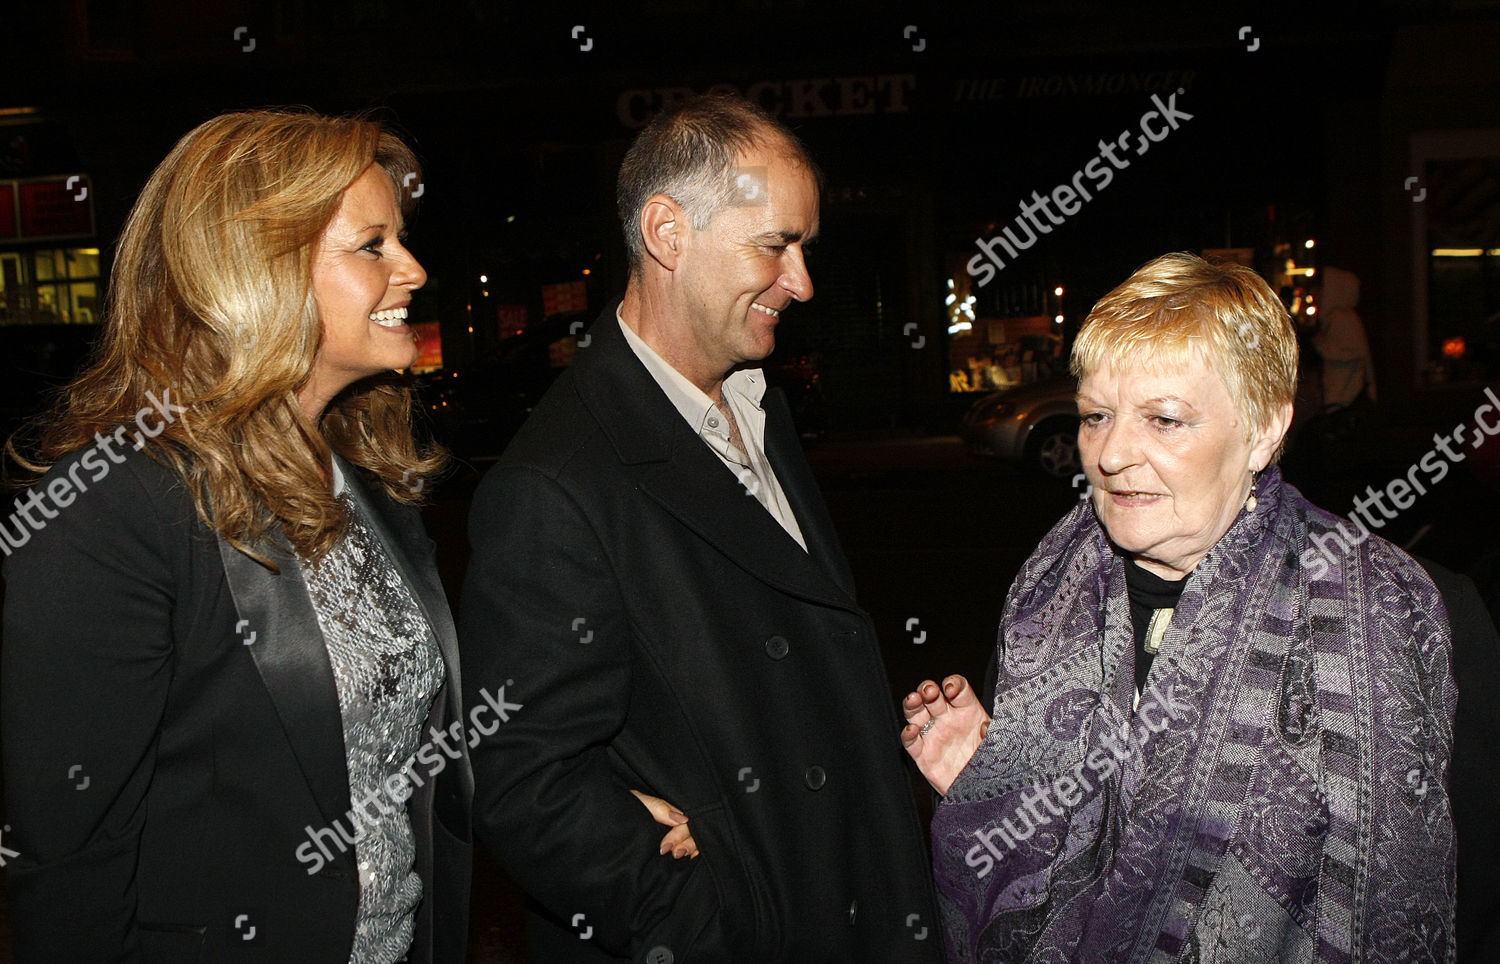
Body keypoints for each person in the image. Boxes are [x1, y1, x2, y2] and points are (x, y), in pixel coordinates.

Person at [459, 94, 941, 962]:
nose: (803, 283)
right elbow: (526, 784)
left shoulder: (761, 409)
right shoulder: (555, 484)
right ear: (668, 234)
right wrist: (709, 926)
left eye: (804, 248)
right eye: (775, 246)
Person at [1, 110, 471, 962]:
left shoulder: (362, 470)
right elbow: (71, 856)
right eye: (372, 245)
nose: (413, 269)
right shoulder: (113, 507)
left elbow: (403, 753)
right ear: (257, 270)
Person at [903, 252, 1455, 962]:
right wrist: (992, 784)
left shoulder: (1381, 608)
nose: (1110, 454)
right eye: (1096, 415)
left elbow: (1407, 914)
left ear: (1263, 430)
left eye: (1164, 419)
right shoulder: (1049, 593)